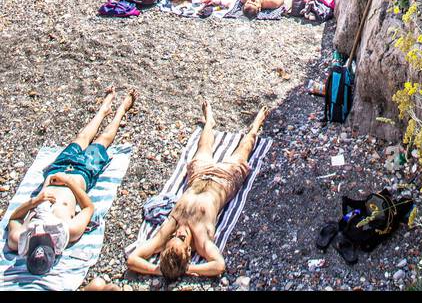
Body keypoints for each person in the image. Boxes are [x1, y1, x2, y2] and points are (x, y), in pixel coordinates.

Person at [125, 98, 268, 281]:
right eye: (182, 239)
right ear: (188, 251)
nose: (179, 233)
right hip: (224, 181)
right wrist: (187, 269)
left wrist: (155, 270)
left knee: (202, 148)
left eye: (174, 237)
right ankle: (255, 127)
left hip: (198, 177)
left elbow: (132, 259)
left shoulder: (166, 234)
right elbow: (219, 265)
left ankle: (210, 121)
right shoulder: (201, 241)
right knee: (243, 152)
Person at [5, 87, 135, 276]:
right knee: (102, 141)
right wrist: (68, 182)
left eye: (38, 239)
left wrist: (36, 201)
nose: (42, 233)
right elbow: (88, 208)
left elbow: (14, 218)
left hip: (57, 169)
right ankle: (121, 110)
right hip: (81, 174)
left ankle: (103, 110)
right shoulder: (68, 232)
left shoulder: (19, 240)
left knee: (81, 137)